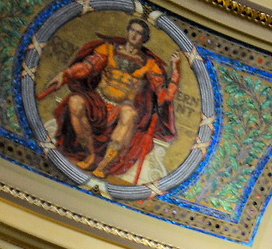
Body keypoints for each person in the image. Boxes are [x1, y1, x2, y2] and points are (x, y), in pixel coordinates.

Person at [37, 17, 182, 182]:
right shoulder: (109, 49)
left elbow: (166, 95)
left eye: (139, 33)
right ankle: (90, 155)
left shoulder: (150, 65)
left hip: (122, 105)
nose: (134, 35)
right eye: (132, 30)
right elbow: (86, 67)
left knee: (129, 114)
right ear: (127, 31)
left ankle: (103, 165)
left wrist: (176, 71)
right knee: (75, 102)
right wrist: (66, 74)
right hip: (98, 99)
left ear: (144, 38)